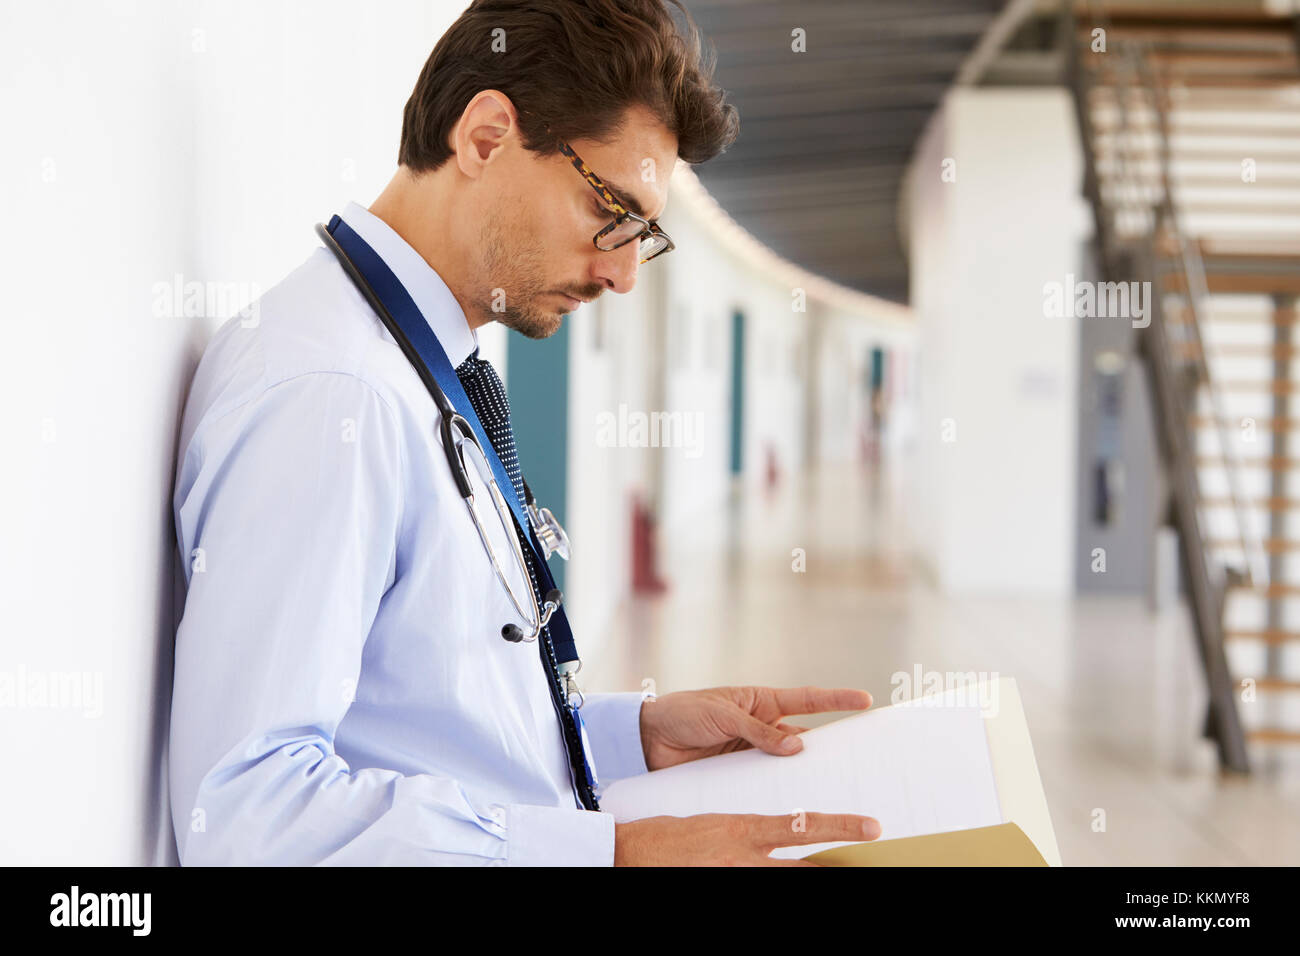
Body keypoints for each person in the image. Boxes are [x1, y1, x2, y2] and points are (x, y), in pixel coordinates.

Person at [169, 0, 881, 866]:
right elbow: (249, 806)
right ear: (485, 136)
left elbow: (424, 709)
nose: (623, 273)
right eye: (612, 211)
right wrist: (614, 856)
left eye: (643, 236)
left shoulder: (428, 365)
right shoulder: (336, 395)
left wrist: (631, 738)